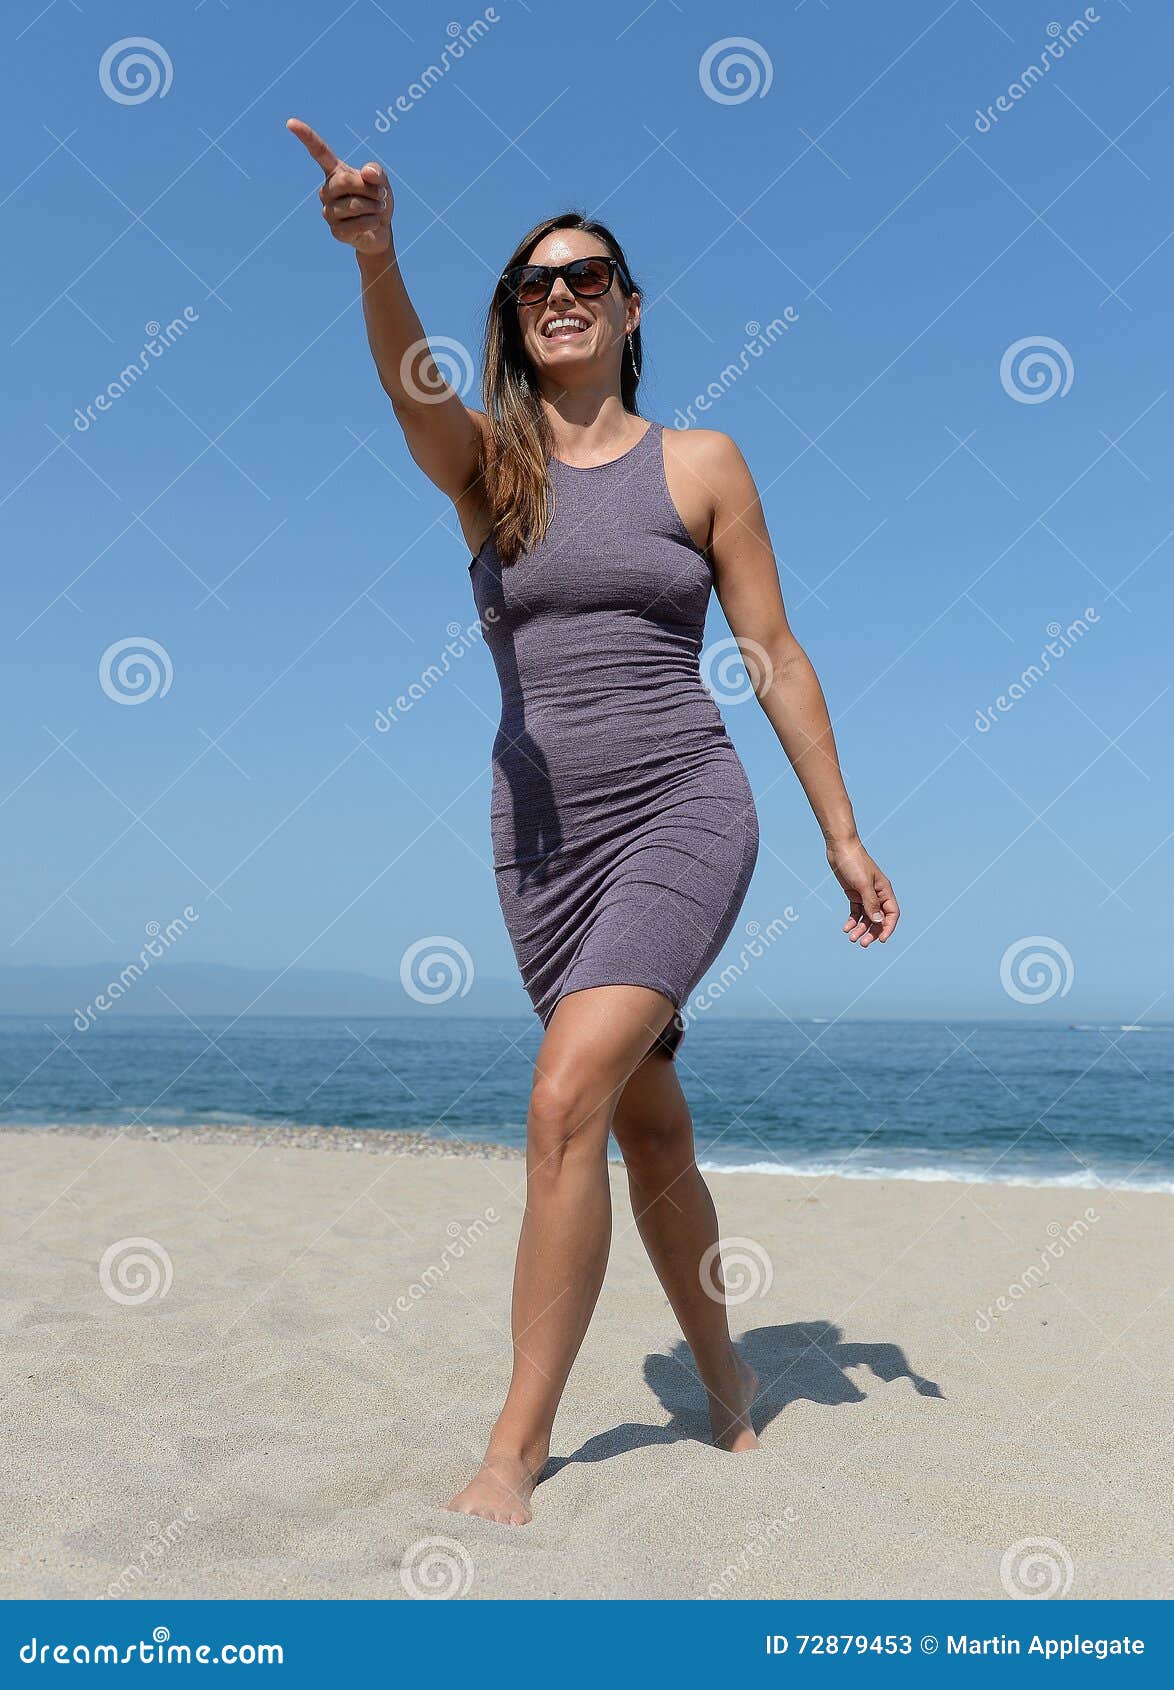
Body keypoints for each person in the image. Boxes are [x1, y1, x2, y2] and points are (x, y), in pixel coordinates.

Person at [289, 119, 900, 1526]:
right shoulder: (490, 471)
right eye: (532, 282)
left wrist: (841, 833)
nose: (560, 293)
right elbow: (410, 398)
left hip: (686, 806)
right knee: (647, 1132)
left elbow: (775, 654)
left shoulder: (701, 464)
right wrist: (378, 256)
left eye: (589, 274)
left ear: (629, 306)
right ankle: (728, 1381)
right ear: (513, 319)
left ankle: (512, 1449)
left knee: (563, 1099)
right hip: (543, 843)